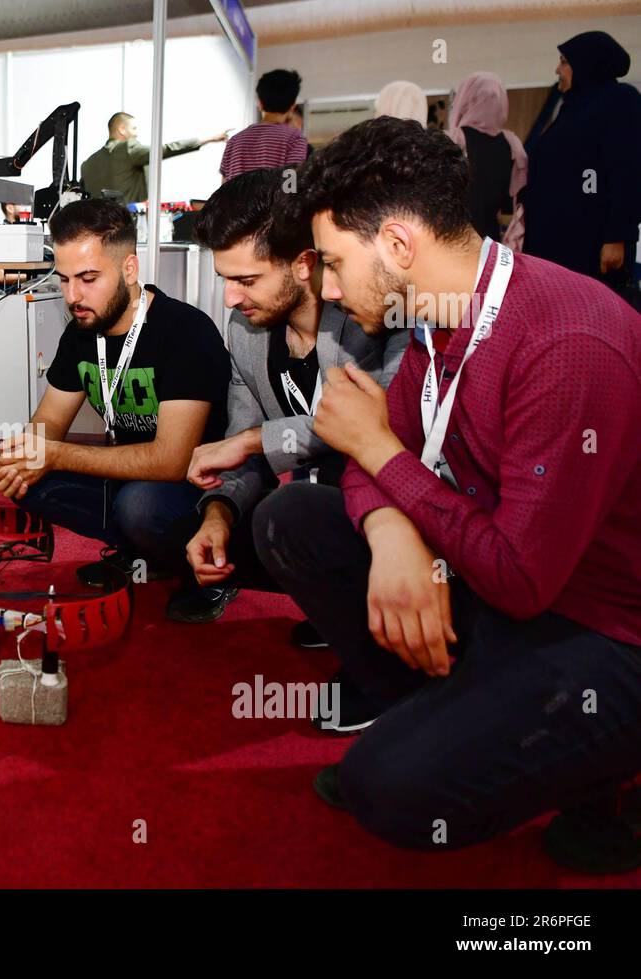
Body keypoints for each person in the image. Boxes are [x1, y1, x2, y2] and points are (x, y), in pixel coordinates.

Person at [254, 116, 641, 852]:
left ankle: (605, 773)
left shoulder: (563, 343)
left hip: (605, 623)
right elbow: (376, 456)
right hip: (502, 570)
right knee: (292, 516)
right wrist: (394, 534)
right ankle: (443, 707)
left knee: (389, 788)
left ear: (399, 245)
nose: (328, 290)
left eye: (334, 263)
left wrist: (380, 454)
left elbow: (523, 578)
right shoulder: (437, 319)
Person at [177, 167, 407, 663]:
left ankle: (387, 653)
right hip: (322, 503)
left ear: (304, 263)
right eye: (225, 280)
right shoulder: (245, 329)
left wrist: (251, 441)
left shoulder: (367, 313)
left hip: (393, 506)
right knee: (172, 518)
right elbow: (242, 440)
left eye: (246, 280)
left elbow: (376, 426)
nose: (231, 298)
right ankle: (341, 606)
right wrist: (218, 517)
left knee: (289, 511)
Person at [0, 197, 230, 596]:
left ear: (129, 269)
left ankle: (200, 565)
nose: (72, 296)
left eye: (88, 278)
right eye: (64, 279)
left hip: (197, 484)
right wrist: (22, 456)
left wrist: (55, 455)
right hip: (128, 472)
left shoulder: (185, 331)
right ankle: (140, 551)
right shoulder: (81, 331)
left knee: (140, 506)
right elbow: (45, 428)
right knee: (25, 476)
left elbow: (172, 461)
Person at [521, 30, 641, 301]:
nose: (557, 69)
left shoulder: (620, 101)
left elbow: (627, 173)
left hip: (591, 243)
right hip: (558, 244)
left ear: (586, 63)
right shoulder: (570, 107)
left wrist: (617, 237)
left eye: (563, 61)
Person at [446, 71, 527, 246]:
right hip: (492, 240)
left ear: (466, 99)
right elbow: (509, 204)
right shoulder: (512, 144)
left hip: (455, 237)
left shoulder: (455, 140)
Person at [81, 111, 227, 205]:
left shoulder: (88, 164)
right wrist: (209, 139)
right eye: (134, 128)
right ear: (122, 129)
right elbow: (166, 149)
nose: (136, 134)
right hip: (125, 226)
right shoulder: (127, 149)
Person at [220, 69, 310, 182]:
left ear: (260, 104)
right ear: (292, 106)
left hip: (234, 200)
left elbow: (223, 188)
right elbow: (290, 186)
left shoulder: (234, 141)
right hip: (272, 200)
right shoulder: (295, 139)